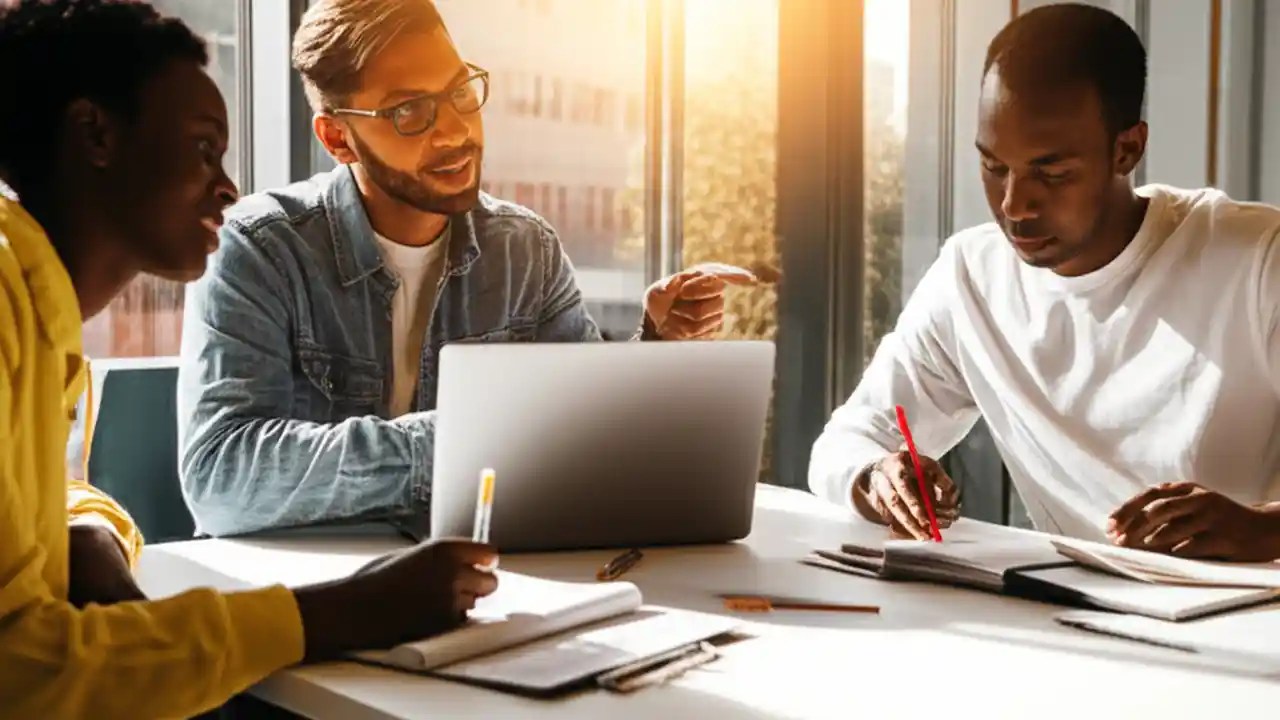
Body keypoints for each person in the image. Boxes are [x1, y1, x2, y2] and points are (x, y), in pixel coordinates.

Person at [0, 2, 496, 716]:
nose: (228, 187)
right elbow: (19, 670)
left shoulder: (36, 307)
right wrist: (343, 613)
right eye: (204, 149)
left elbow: (32, 504)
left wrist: (87, 523)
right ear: (94, 134)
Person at [177, 0, 754, 537]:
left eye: (458, 93)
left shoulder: (524, 250)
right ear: (338, 138)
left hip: (477, 586)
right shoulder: (258, 250)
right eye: (410, 112)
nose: (455, 130)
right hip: (306, 601)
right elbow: (222, 477)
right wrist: (466, 440)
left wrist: (655, 348)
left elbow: (586, 438)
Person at [809, 3, 1280, 562]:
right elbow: (846, 440)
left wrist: (1263, 530)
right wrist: (876, 475)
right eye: (993, 167)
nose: (1014, 205)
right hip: (1074, 612)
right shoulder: (971, 279)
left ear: (1126, 149)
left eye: (1051, 173)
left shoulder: (1256, 259)